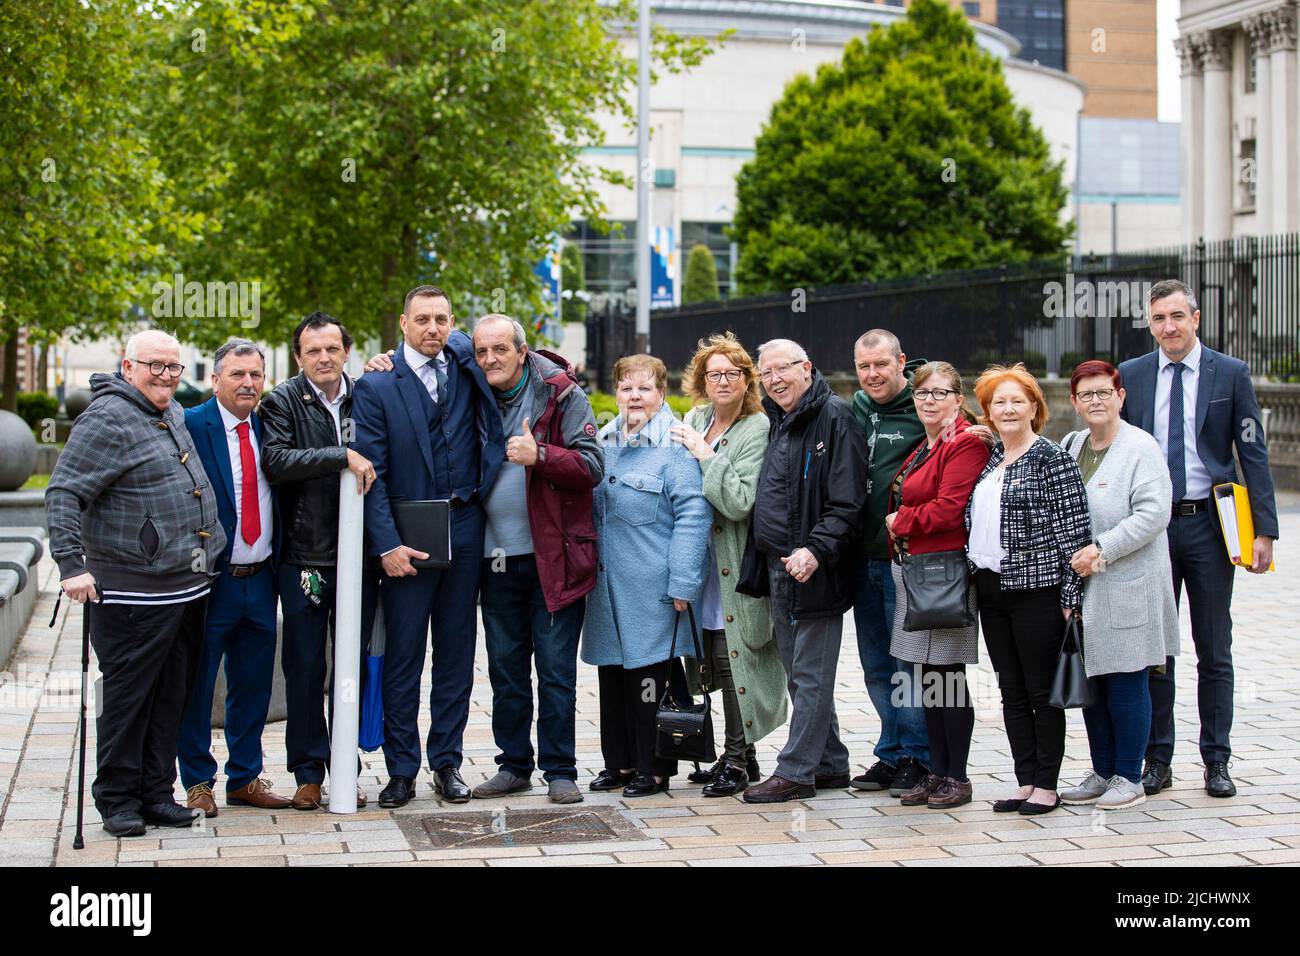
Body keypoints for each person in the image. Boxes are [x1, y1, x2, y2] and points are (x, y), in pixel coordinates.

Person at [367, 314, 603, 804]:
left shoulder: (560, 393)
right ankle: (514, 764)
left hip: (551, 559)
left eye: (501, 349)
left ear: (522, 351)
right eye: (482, 351)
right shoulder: (470, 383)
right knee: (506, 672)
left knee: (556, 672)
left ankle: (560, 769)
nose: (490, 358)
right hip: (494, 563)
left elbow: (593, 465)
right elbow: (435, 339)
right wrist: (389, 355)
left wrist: (541, 454)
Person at [46, 329, 227, 837]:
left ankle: (154, 793)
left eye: (173, 366)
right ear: (129, 367)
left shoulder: (166, 409)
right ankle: (118, 800)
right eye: (155, 366)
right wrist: (70, 564)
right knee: (128, 700)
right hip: (130, 591)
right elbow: (62, 491)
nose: (166, 375)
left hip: (183, 586)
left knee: (169, 697)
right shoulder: (107, 418)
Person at [1118, 279, 1278, 798]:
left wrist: (1265, 531)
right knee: (1155, 648)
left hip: (1211, 527)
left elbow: (1252, 452)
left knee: (1214, 647)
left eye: (1177, 316)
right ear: (1151, 323)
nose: (1169, 327)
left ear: (1196, 317)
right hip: (1151, 529)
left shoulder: (1230, 374)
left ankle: (1217, 761)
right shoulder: (1133, 376)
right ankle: (1156, 760)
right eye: (1159, 318)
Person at [351, 286, 505, 808]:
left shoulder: (464, 360)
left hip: (464, 527)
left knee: (457, 656)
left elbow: (519, 356)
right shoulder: (375, 386)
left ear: (452, 323)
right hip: (407, 536)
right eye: (422, 320)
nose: (432, 328)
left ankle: (447, 764)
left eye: (441, 319)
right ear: (403, 323)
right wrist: (386, 545)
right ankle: (400, 770)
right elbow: (370, 475)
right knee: (402, 659)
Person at [737, 339, 868, 803]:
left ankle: (795, 771)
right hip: (779, 567)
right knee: (799, 672)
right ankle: (829, 763)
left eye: (782, 369)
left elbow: (848, 501)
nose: (773, 379)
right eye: (765, 373)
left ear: (806, 368)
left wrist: (815, 550)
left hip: (816, 567)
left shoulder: (836, 417)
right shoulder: (779, 420)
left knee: (811, 673)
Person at [260, 312, 377, 811]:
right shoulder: (281, 400)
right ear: (299, 357)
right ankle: (308, 772)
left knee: (357, 664)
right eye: (313, 351)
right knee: (306, 666)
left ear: (346, 350)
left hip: (365, 555)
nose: (324, 358)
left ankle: (346, 766)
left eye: (332, 348)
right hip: (305, 557)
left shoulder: (369, 393)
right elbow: (277, 460)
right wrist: (341, 455)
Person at [581, 354, 711, 797]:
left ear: (661, 393)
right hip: (606, 589)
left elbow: (693, 517)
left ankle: (654, 769)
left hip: (653, 587)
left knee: (650, 679)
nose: (634, 396)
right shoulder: (604, 439)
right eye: (626, 388)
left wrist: (683, 582)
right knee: (613, 676)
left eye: (645, 388)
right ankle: (617, 764)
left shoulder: (675, 447)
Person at [966, 363, 1091, 815]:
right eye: (999, 401)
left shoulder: (1052, 457)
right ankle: (1024, 779)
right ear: (988, 412)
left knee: (1041, 692)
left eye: (1018, 399)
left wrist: (1070, 598)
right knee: (1011, 690)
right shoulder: (992, 460)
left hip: (1037, 590)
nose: (1008, 408)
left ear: (1035, 407)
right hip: (992, 591)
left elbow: (1074, 532)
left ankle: (1046, 784)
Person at [670, 332, 788, 797]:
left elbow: (740, 501)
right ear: (702, 380)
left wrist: (704, 454)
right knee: (709, 666)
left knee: (736, 658)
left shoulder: (757, 428)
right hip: (699, 563)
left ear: (746, 380)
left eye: (732, 373)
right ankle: (741, 753)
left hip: (736, 564)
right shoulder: (695, 416)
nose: (722, 381)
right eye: (713, 373)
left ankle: (736, 760)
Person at [177, 339, 292, 817]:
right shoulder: (189, 425)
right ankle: (198, 781)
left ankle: (245, 777)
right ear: (215, 379)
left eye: (256, 375)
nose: (248, 384)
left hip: (261, 577)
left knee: (254, 684)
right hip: (211, 580)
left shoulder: (272, 425)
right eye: (238, 375)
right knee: (199, 683)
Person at [1059, 360, 1178, 811]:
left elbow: (1153, 514)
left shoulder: (1140, 447)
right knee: (1095, 682)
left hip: (1129, 582)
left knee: (1127, 680)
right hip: (1086, 588)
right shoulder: (1073, 445)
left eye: (1104, 392)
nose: (1095, 401)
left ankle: (1130, 775)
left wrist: (1102, 549)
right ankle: (1103, 769)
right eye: (1086, 395)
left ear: (1120, 396)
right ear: (1074, 402)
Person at [884, 362, 989, 809]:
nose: (929, 400)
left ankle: (958, 777)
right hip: (918, 572)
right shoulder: (927, 445)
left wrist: (900, 522)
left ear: (958, 400)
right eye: (922, 393)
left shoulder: (964, 442)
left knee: (948, 676)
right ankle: (936, 772)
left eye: (939, 393)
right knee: (928, 676)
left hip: (945, 574)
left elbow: (950, 509)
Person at [848, 329, 931, 795]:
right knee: (876, 664)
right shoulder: (857, 406)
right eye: (864, 366)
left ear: (901, 361)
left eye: (881, 364)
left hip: (906, 561)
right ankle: (891, 752)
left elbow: (961, 434)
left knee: (909, 664)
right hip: (862, 558)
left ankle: (919, 757)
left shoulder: (923, 400)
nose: (873, 374)